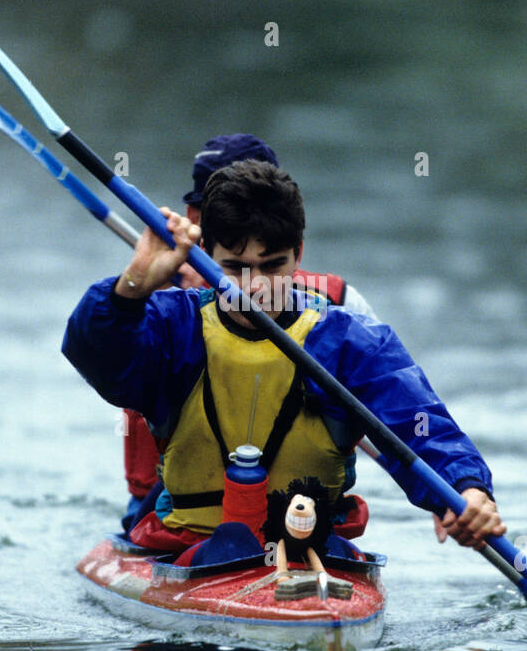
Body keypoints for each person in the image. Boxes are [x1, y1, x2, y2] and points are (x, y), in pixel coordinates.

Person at [63, 159, 504, 560]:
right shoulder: (171, 326)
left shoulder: (350, 341)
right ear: (205, 257)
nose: (254, 288)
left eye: (273, 265)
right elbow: (94, 354)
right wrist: (135, 284)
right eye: (233, 267)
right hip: (187, 550)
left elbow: (420, 424)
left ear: (299, 255)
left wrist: (470, 492)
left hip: (312, 549)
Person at [118, 133, 374, 539]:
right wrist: (137, 287)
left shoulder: (338, 305)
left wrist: (439, 490)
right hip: (179, 498)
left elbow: (390, 408)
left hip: (297, 509)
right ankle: (143, 523)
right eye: (206, 212)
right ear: (195, 216)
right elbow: (105, 351)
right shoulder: (169, 297)